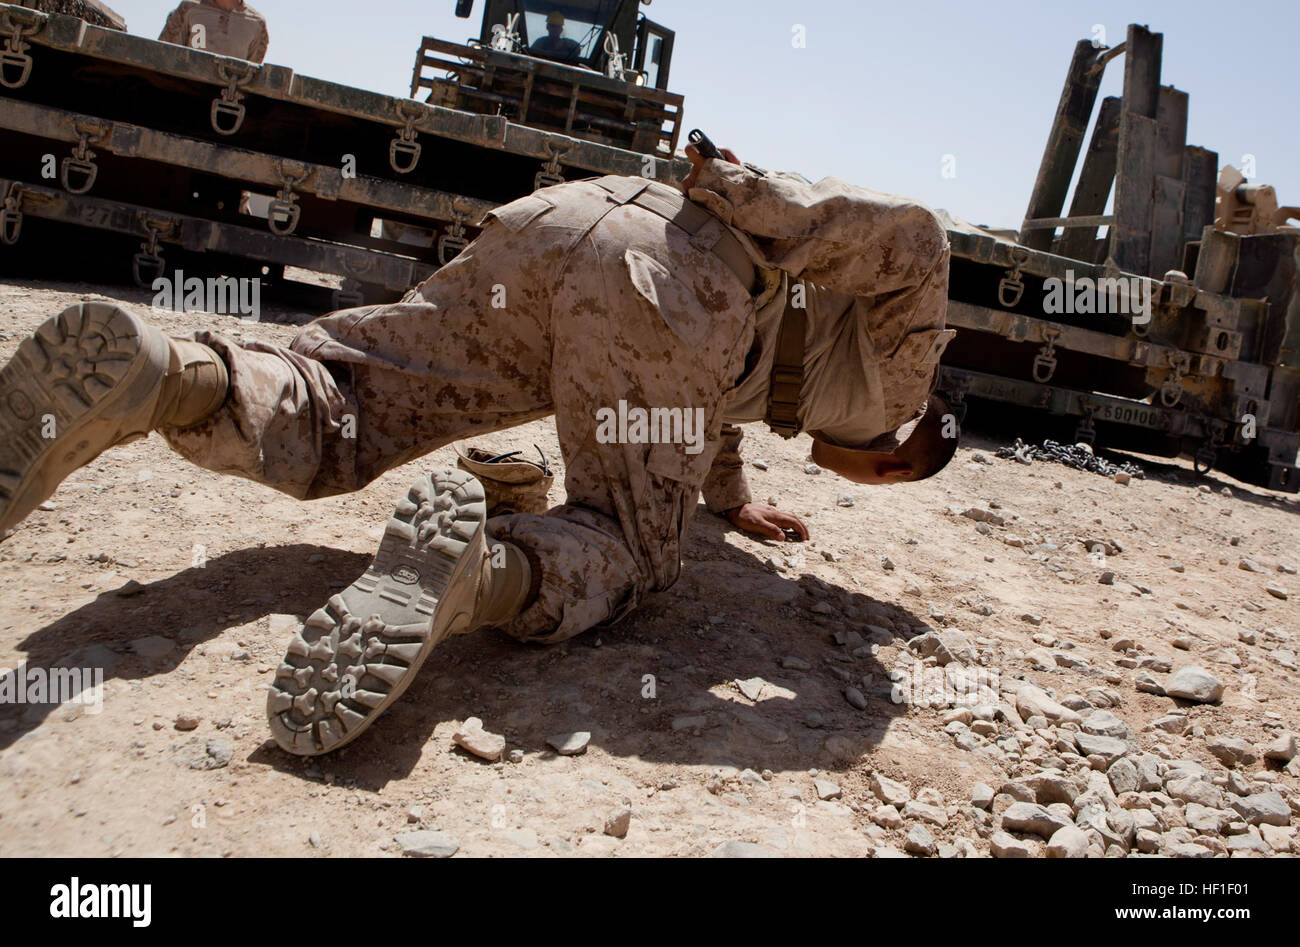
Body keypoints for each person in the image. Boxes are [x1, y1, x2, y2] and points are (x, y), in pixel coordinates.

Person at [0, 146, 957, 756]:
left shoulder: (812, 359)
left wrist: (728, 500)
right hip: (673, 280)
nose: (876, 472)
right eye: (899, 467)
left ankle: (167, 375)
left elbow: (717, 405)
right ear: (903, 454)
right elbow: (918, 238)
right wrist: (764, 202)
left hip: (572, 226)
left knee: (354, 400)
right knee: (626, 542)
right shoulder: (906, 385)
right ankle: (483, 569)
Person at [159, 0, 269, 64]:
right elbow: (165, 57)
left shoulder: (257, 24)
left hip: (226, 99)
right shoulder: (188, 9)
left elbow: (250, 74)